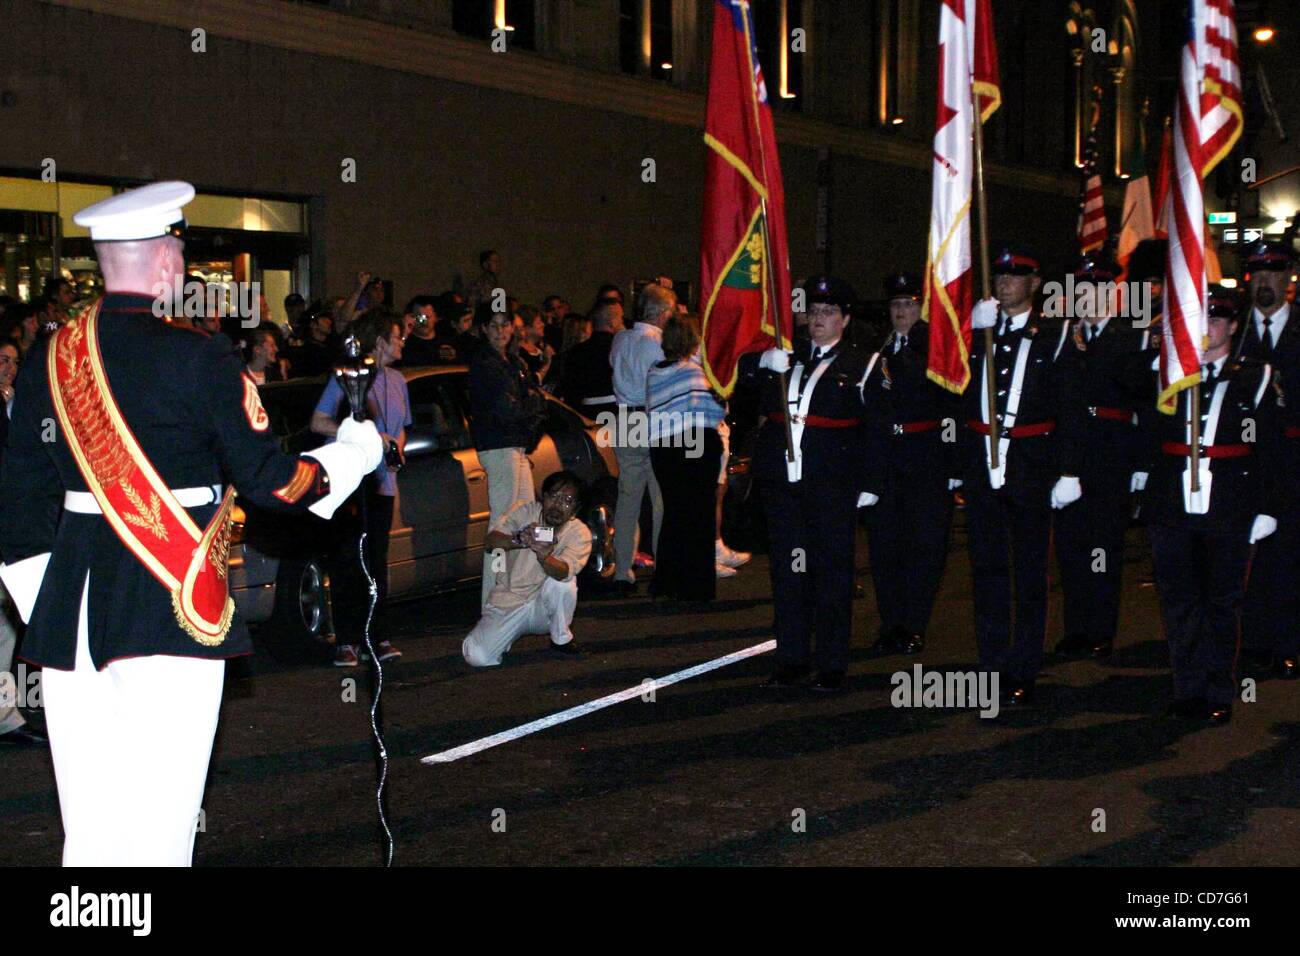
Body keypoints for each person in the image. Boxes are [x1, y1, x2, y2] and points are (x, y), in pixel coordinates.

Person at [0, 181, 382, 865]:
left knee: (90, 831)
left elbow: (17, 505)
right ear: (169, 261)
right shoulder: (196, 354)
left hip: (69, 612)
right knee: (160, 827)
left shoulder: (51, 358)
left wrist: (45, 600)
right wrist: (354, 454)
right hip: (167, 596)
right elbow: (271, 484)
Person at [1139, 285, 1281, 725]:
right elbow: (1140, 425)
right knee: (1179, 600)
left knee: (1221, 602)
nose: (1209, 328)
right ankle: (1188, 687)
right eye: (1201, 320)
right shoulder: (1167, 372)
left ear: (1233, 326)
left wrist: (1266, 506)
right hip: (1172, 504)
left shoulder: (1254, 378)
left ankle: (1218, 688)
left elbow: (1268, 448)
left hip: (1229, 503)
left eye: (1218, 320)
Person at [961, 246, 1085, 706]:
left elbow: (1072, 410)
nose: (1006, 282)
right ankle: (991, 661)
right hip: (982, 466)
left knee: (1030, 571)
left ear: (1034, 285)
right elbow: (957, 397)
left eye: (1017, 276)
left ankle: (1023, 666)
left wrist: (1070, 470)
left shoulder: (1055, 336)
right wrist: (973, 334)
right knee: (987, 568)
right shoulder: (978, 334)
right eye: (1001, 275)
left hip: (1032, 467)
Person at [754, 276, 882, 691]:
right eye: (814, 311)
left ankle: (830, 662)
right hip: (785, 487)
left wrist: (870, 480)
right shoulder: (786, 358)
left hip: (832, 486)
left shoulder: (864, 362)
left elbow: (876, 428)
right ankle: (791, 658)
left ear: (845, 318)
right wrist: (759, 366)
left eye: (828, 312)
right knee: (789, 573)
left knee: (831, 575)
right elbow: (743, 390)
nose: (818, 319)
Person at [1051, 254, 1153, 661]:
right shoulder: (1061, 338)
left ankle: (1100, 628)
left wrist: (1143, 463)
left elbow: (1145, 404)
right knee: (1070, 545)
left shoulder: (1133, 338)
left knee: (1102, 548)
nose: (1089, 296)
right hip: (1068, 452)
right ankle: (1075, 626)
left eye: (1098, 289)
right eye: (1083, 289)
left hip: (1112, 454)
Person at [862, 272, 960, 658]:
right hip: (887, 456)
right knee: (885, 546)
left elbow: (952, 407)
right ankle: (890, 623)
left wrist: (952, 463)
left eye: (908, 304)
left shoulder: (937, 347)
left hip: (926, 456)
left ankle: (914, 624)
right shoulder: (878, 346)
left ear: (922, 308)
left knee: (924, 545)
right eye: (895, 305)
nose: (901, 311)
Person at [311, 308, 410, 667]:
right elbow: (318, 420)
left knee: (376, 563)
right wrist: (363, 436)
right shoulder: (348, 378)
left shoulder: (399, 381)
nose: (402, 342)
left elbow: (402, 426)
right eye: (397, 336)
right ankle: (348, 640)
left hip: (383, 483)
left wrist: (395, 442)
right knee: (348, 562)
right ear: (380, 340)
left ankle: (378, 636)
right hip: (351, 486)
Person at [1237, 240, 1300, 678]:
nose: (1264, 281)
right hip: (1245, 459)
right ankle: (1252, 643)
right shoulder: (1231, 329)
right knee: (1247, 556)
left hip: (1294, 460)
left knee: (1290, 555)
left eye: (1273, 272)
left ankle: (1289, 644)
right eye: (1257, 273)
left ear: (1288, 277)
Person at [462, 471, 591, 666]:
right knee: (476, 655)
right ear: (543, 497)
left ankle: (561, 639)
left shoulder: (579, 532)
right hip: (510, 600)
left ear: (575, 509)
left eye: (567, 500)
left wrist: (544, 556)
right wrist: (519, 539)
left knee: (564, 584)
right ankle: (504, 634)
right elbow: (491, 543)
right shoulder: (524, 512)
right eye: (553, 496)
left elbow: (564, 570)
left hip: (543, 607)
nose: (558, 505)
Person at [468, 306, 545, 606]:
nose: (501, 331)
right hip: (499, 447)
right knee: (502, 523)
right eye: (495, 325)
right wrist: (530, 407)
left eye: (506, 325)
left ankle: (517, 593)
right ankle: (492, 598)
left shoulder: (512, 362)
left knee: (525, 518)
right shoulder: (486, 364)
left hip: (515, 445)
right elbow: (509, 408)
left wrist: (530, 407)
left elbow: (533, 399)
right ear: (485, 329)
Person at [646, 313, 727, 601]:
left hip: (663, 450)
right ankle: (696, 586)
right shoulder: (694, 374)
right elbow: (714, 412)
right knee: (699, 518)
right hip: (694, 448)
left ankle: (668, 581)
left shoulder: (655, 370)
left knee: (675, 516)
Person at [608, 283, 673, 595]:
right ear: (662, 314)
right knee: (661, 498)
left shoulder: (621, 338)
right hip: (651, 419)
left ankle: (622, 569)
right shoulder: (656, 342)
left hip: (624, 418)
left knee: (628, 497)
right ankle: (664, 567)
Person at [0, 339, 45, 747]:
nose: (8, 368)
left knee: (9, 630)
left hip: (14, 533)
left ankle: (8, 714)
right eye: (2, 360)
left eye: (14, 361)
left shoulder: (20, 406)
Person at [559, 300, 623, 419]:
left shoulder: (575, 352)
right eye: (620, 318)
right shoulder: (621, 349)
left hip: (585, 416)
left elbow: (570, 391)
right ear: (612, 322)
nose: (622, 322)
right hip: (617, 416)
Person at [398, 295, 445, 367]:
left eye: (427, 317)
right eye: (419, 317)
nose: (424, 322)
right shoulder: (405, 343)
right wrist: (405, 334)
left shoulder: (446, 338)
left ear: (435, 317)